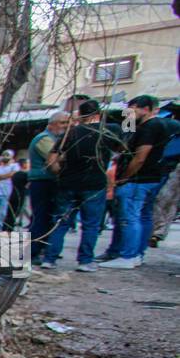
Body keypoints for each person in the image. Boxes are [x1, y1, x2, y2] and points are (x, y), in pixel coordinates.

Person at [44, 99, 126, 271]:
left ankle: (49, 259)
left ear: (80, 115)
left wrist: (59, 173)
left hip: (68, 183)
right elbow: (123, 148)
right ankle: (85, 261)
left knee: (60, 221)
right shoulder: (110, 130)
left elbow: (51, 159)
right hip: (94, 184)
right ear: (99, 114)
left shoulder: (71, 133)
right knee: (91, 224)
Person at [102, 94, 180, 268]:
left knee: (130, 217)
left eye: (133, 109)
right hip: (153, 177)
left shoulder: (149, 128)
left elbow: (139, 157)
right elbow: (124, 143)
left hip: (139, 178)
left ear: (145, 109)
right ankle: (137, 254)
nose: (129, 113)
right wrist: (129, 122)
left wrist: (124, 177)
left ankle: (128, 255)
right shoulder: (164, 125)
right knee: (143, 216)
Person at [27, 110, 70, 264]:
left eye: (67, 123)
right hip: (42, 182)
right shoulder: (44, 139)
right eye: (62, 123)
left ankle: (40, 250)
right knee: (41, 218)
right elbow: (55, 158)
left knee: (46, 218)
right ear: (51, 124)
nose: (66, 126)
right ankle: (32, 252)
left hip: (48, 182)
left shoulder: (56, 140)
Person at [0, 150, 20, 231]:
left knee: (3, 213)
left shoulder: (14, 166)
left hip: (6, 193)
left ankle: (1, 228)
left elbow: (13, 174)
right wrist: (2, 177)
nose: (6, 157)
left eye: (8, 155)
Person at [4, 157, 30, 230]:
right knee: (14, 214)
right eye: (27, 163)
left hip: (12, 194)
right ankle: (9, 230)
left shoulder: (15, 174)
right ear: (24, 164)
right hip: (20, 195)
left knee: (10, 214)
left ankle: (5, 228)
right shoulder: (26, 175)